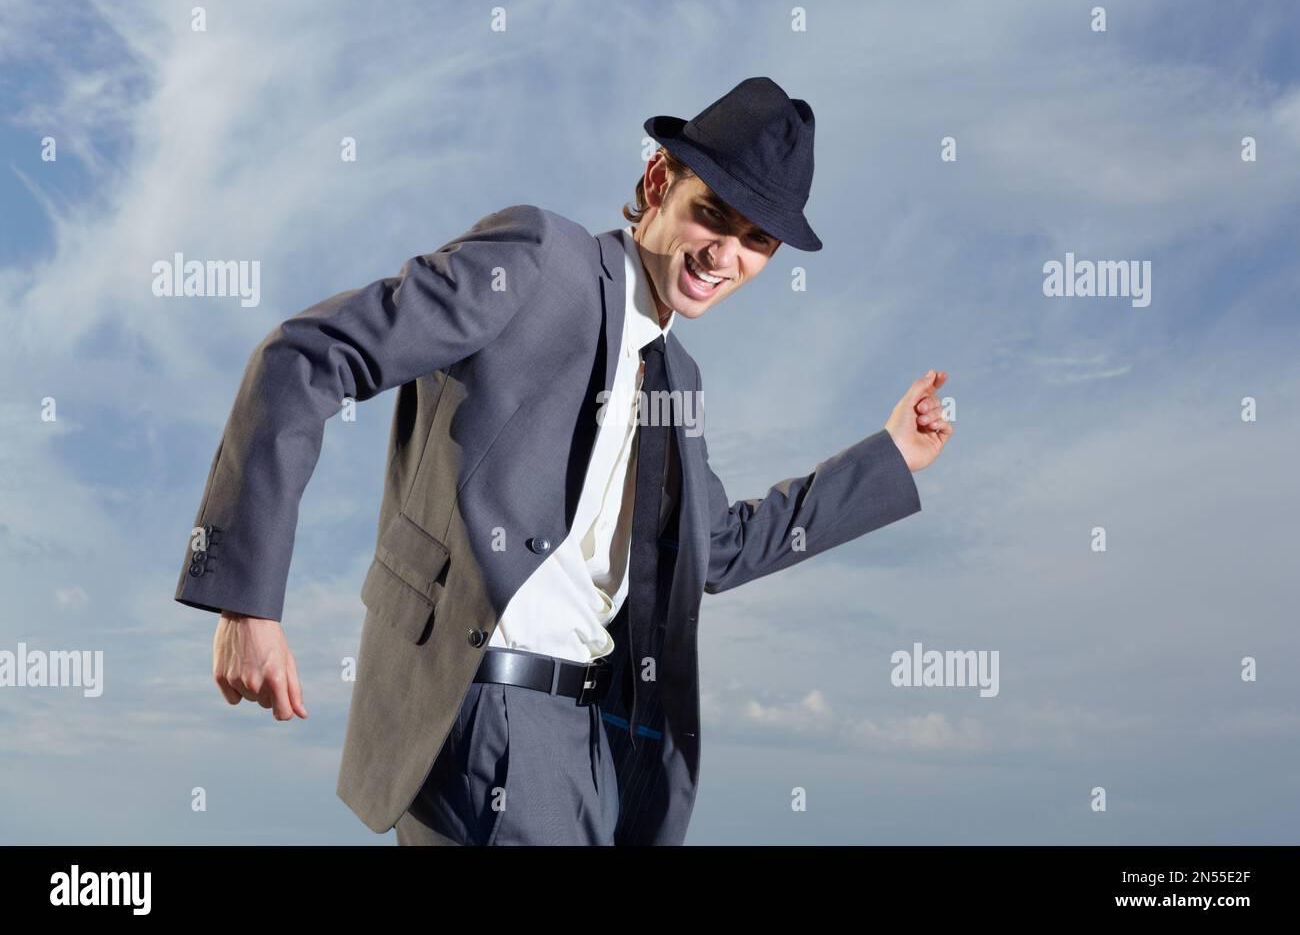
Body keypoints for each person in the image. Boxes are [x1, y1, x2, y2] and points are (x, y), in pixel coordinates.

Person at [175, 76, 953, 845]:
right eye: (712, 215)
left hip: (593, 737)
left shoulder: (677, 378)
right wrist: (247, 602)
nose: (725, 255)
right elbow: (308, 357)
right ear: (659, 182)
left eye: (757, 242)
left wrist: (890, 459)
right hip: (485, 706)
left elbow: (716, 548)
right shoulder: (541, 261)